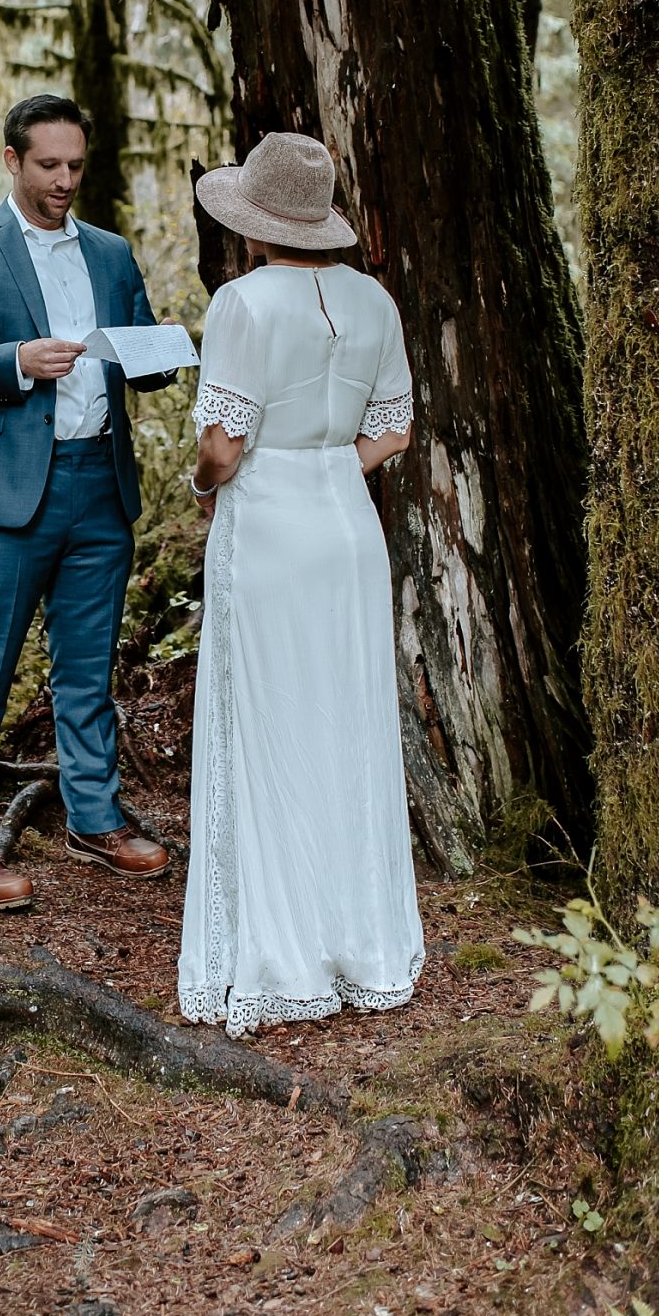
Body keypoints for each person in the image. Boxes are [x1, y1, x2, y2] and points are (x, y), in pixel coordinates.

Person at [178, 132, 425, 1037]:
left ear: (252, 223)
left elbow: (221, 446)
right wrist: (324, 472)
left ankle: (280, 953)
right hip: (346, 533)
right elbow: (392, 432)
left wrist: (207, 486)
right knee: (343, 722)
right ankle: (360, 942)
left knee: (266, 726)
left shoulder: (241, 304)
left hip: (269, 530)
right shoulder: (374, 302)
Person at [0, 93, 174, 910]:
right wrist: (16, 359)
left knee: (88, 670)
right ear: (12, 160)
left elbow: (140, 348)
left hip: (101, 484)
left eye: (75, 166)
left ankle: (94, 818)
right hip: (6, 494)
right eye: (48, 165)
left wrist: (160, 355)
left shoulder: (111, 252)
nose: (64, 181)